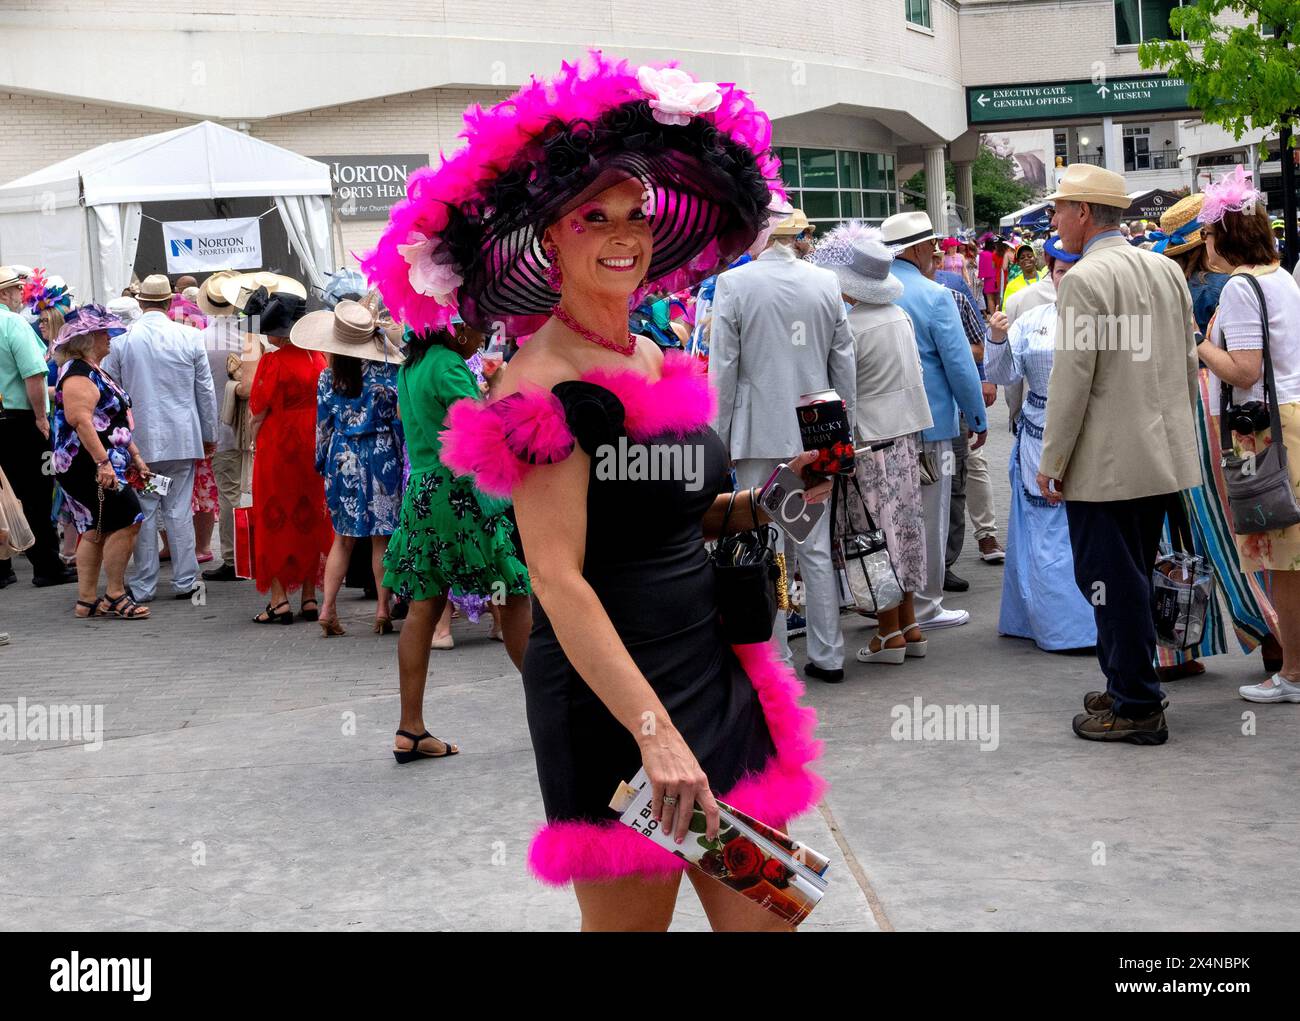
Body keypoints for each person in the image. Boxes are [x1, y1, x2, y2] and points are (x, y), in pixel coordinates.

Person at [368, 51, 826, 931]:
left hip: (709, 665)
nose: (624, 233)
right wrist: (652, 730)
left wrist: (759, 501)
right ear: (551, 239)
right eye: (593, 217)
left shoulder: (650, 354)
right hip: (613, 698)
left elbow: (666, 502)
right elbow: (558, 578)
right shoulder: (537, 388)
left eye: (635, 213)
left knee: (770, 914)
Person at [1042, 164, 1201, 744]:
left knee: (1111, 583)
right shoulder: (1164, 268)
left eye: (1061, 208)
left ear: (1084, 213)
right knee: (1127, 575)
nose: (1055, 218)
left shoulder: (1085, 279)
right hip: (1158, 456)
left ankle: (1137, 704)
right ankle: (1126, 682)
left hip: (1105, 464)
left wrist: (1050, 461)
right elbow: (1186, 364)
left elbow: (1072, 383)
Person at [710, 207, 856, 682]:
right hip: (814, 432)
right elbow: (843, 364)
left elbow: (724, 370)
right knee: (813, 544)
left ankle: (776, 658)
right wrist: (841, 430)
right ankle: (829, 654)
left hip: (758, 434)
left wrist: (720, 439)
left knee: (763, 542)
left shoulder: (735, 286)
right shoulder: (824, 283)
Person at [1150, 192, 1281, 680]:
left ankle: (1178, 645)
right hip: (1220, 415)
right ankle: (1273, 634)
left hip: (1188, 412)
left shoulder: (1181, 286)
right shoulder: (1242, 282)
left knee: (1180, 528)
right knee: (1242, 524)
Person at [1192, 167, 1300, 704]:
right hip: (1290, 420)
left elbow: (1244, 370)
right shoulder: (1281, 277)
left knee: (1283, 556)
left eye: (1207, 233)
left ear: (1225, 235)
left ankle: (1293, 674)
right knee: (1290, 555)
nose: (1204, 244)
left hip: (1264, 430)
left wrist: (1197, 344)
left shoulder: (1240, 286)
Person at [810, 222, 933, 664]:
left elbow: (842, 391)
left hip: (868, 442)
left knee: (872, 534)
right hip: (903, 438)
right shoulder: (897, 316)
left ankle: (888, 634)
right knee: (903, 529)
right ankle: (909, 624)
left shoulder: (850, 326)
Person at [883, 210, 988, 630]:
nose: (935, 254)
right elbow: (960, 366)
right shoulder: (934, 296)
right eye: (930, 246)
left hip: (880, 428)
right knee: (930, 515)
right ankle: (926, 605)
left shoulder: (865, 294)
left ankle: (888, 604)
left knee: (888, 516)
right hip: (932, 425)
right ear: (915, 249)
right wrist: (977, 416)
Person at [986, 254, 1096, 651]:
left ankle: (1097, 623)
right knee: (1047, 532)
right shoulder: (1031, 321)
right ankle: (1059, 627)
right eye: (1061, 272)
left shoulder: (1108, 321)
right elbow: (1001, 376)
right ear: (1052, 276)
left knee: (1091, 530)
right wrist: (997, 340)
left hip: (1095, 434)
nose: (1067, 278)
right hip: (1039, 433)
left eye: (1074, 270)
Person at [102, 274, 217, 603]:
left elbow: (112, 395)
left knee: (147, 510)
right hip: (181, 438)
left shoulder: (123, 341)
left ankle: (145, 583)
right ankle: (184, 580)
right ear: (170, 302)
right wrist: (208, 434)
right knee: (179, 509)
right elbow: (205, 392)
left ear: (141, 304)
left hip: (141, 441)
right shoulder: (190, 337)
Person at [293, 299, 405, 636]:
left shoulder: (328, 378)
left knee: (341, 540)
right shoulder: (389, 373)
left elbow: (323, 426)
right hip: (381, 454)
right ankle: (383, 611)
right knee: (381, 539)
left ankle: (327, 608)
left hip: (342, 457)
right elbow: (399, 424)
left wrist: (321, 462)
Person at [48, 305, 151, 620]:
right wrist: (104, 463)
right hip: (86, 464)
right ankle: (116, 593)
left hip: (98, 462)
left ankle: (87, 601)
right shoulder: (78, 373)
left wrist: (133, 455)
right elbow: (81, 421)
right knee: (129, 517)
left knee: (94, 527)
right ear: (88, 338)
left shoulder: (92, 369)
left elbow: (112, 420)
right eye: (104, 332)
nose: (109, 338)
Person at [239, 287, 333, 623]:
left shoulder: (273, 361)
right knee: (309, 515)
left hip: (278, 447)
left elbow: (257, 410)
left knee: (274, 517)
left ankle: (279, 600)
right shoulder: (319, 358)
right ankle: (309, 597)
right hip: (313, 444)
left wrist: (252, 440)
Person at [0, 266, 71, 588]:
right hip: (18, 420)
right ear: (5, 294)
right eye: (17, 290)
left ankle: (3, 568)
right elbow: (34, 374)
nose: (20, 296)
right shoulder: (12, 323)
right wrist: (41, 417)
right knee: (37, 493)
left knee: (3, 497)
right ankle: (46, 566)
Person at [934, 261, 1005, 584]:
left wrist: (982, 379)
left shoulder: (953, 292)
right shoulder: (886, 293)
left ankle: (983, 535)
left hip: (956, 405)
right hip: (922, 412)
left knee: (968, 470)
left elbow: (979, 347)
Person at [195, 270, 246, 582]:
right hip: (251, 428)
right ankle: (245, 554)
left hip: (219, 428)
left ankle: (234, 557)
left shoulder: (200, 340)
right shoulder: (251, 339)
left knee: (230, 496)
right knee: (245, 493)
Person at [1000, 242, 1046, 309]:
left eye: (1030, 256)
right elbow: (1007, 310)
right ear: (1018, 263)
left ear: (1035, 259)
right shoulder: (1012, 285)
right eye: (1022, 257)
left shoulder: (1046, 278)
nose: (1026, 259)